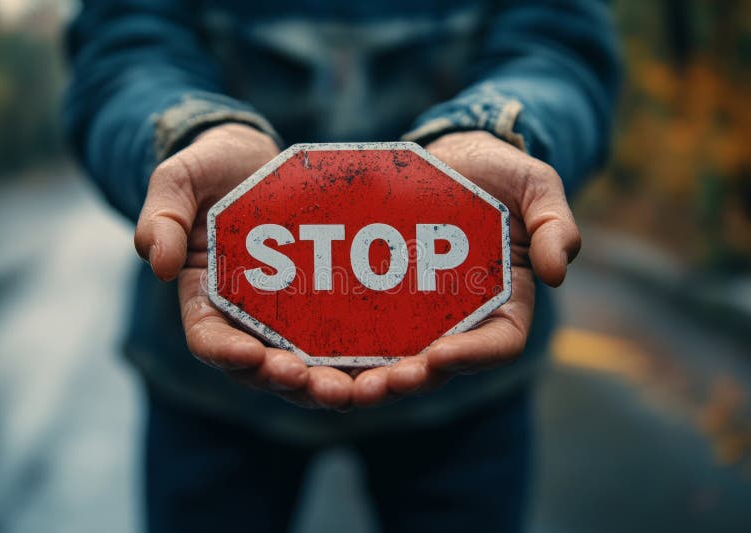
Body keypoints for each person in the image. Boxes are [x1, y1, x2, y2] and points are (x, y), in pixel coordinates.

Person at [64, 1, 620, 531]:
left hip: (465, 372)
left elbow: (557, 45)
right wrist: (187, 134)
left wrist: (499, 132)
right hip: (210, 375)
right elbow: (125, 48)